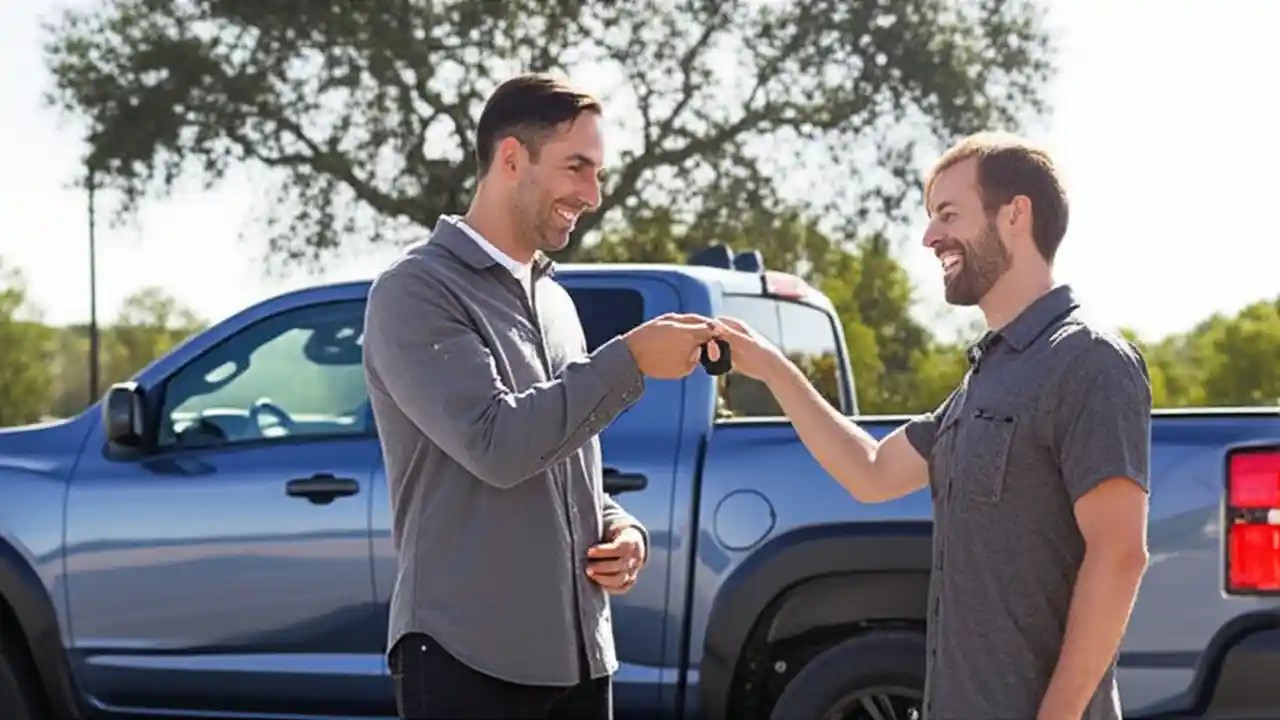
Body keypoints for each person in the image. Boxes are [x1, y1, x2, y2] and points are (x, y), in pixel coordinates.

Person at [714, 132, 1151, 720]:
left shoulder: (1090, 359)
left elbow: (1119, 552)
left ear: (1016, 214)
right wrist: (771, 367)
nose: (929, 236)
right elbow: (870, 472)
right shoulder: (986, 376)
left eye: (949, 214)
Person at [361, 73, 723, 720]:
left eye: (598, 172)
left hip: (581, 658)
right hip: (465, 658)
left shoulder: (554, 299)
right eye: (576, 167)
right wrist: (632, 358)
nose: (593, 193)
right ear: (510, 158)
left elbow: (559, 447)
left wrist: (616, 525)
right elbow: (498, 445)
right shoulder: (414, 293)